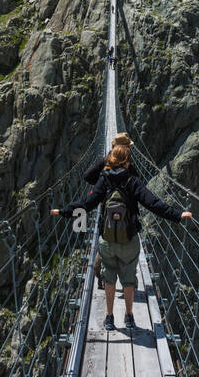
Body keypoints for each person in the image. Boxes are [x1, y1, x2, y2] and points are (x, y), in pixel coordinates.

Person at [52, 134, 191, 331]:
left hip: (107, 239)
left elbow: (86, 203)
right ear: (127, 159)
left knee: (109, 278)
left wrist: (64, 211)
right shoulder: (132, 180)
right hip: (130, 239)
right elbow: (153, 203)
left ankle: (109, 318)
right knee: (128, 279)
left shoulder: (103, 180)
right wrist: (177, 215)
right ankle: (128, 316)